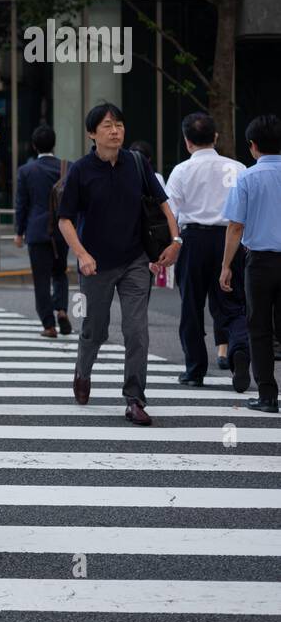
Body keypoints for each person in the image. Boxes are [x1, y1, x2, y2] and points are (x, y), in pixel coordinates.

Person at [56, 103, 181, 426]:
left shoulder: (137, 164)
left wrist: (175, 241)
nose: (116, 131)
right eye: (108, 126)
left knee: (136, 330)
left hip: (135, 260)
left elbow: (164, 205)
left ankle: (134, 398)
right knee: (94, 330)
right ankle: (83, 372)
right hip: (96, 265)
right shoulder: (81, 171)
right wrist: (82, 254)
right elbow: (65, 220)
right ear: (92, 133)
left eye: (120, 125)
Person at [164, 112, 248, 388]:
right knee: (233, 303)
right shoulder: (237, 168)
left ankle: (195, 369)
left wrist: (171, 245)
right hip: (230, 239)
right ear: (215, 137)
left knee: (191, 305)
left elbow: (172, 214)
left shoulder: (181, 170)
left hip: (194, 240)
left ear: (187, 142)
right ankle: (238, 350)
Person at [222, 114, 281, 413]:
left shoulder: (246, 177)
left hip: (258, 262)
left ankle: (268, 396)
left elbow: (235, 226)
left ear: (253, 146)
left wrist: (226, 265)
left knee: (259, 327)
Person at [14, 124, 72, 338]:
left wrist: (18, 233)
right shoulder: (68, 167)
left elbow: (22, 204)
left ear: (34, 146)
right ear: (54, 144)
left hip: (37, 232)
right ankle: (62, 310)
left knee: (41, 279)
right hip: (62, 230)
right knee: (60, 272)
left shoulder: (26, 171)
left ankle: (49, 325)